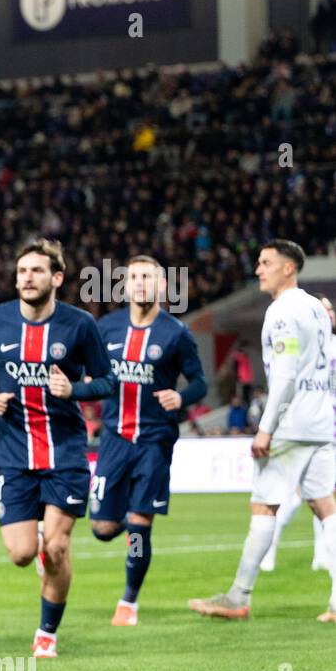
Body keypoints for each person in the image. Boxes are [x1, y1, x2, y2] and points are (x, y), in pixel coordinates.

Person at [0, 238, 116, 658]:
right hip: (15, 455)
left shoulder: (79, 325)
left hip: (65, 452)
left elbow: (107, 380)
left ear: (56, 278)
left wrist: (76, 389)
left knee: (56, 548)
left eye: (36, 271)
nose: (27, 278)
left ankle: (47, 634)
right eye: (21, 271)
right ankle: (37, 546)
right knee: (22, 553)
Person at [189, 241, 336, 622]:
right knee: (326, 507)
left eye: (266, 263)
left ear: (289, 268)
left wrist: (266, 429)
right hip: (320, 422)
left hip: (291, 424)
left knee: (264, 506)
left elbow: (286, 372)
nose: (258, 270)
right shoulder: (317, 310)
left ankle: (238, 596)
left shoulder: (283, 311)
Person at [91, 256, 206, 626]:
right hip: (114, 441)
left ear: (161, 286)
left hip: (154, 442)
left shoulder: (176, 333)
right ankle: (129, 518)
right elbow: (88, 372)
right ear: (125, 286)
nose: (141, 283)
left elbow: (200, 382)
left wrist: (181, 398)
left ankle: (129, 601)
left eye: (148, 278)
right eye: (134, 277)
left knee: (140, 525)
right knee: (103, 529)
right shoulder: (106, 328)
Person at [262, 296, 336, 573]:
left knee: (324, 499)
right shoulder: (304, 351)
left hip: (329, 432)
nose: (328, 315)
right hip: (306, 431)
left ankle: (322, 556)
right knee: (292, 497)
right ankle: (268, 551)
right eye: (323, 311)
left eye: (331, 310)